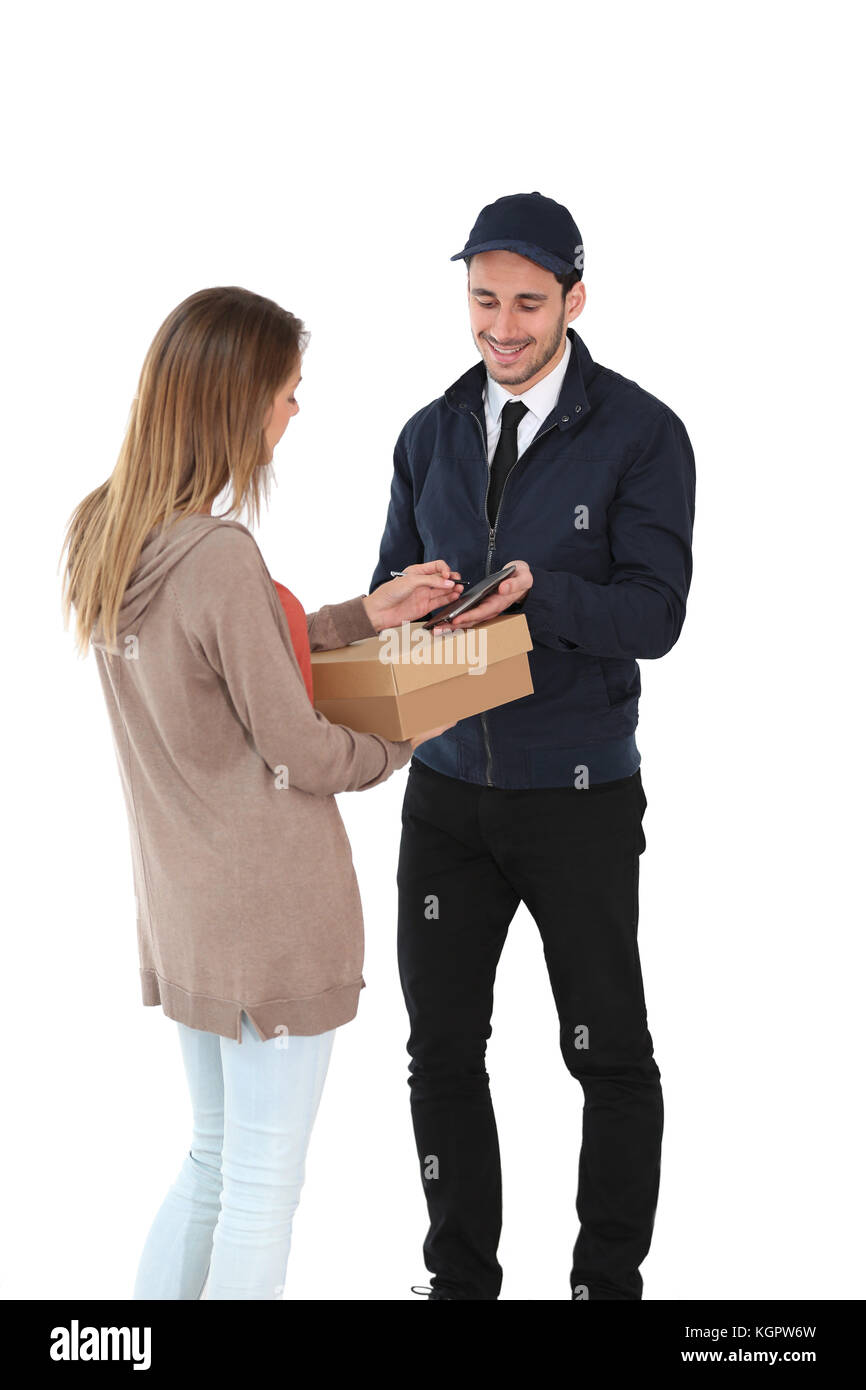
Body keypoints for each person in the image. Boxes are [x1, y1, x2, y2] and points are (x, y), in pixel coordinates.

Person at [61, 285, 456, 1300]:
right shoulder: (219, 555)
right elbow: (303, 749)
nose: (294, 411)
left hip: (189, 911)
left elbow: (224, 658)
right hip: (272, 922)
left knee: (211, 1165)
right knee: (260, 1192)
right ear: (236, 404)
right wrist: (411, 726)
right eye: (285, 393)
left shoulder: (110, 533)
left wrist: (363, 614)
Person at [370, 192, 696, 1300]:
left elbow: (655, 614)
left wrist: (535, 594)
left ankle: (607, 1285)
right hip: (447, 799)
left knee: (606, 1055)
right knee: (440, 1053)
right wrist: (400, 606)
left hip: (577, 797)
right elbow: (387, 601)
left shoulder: (641, 434)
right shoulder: (427, 435)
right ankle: (458, 1281)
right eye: (480, 301)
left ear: (572, 298)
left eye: (524, 302)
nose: (500, 327)